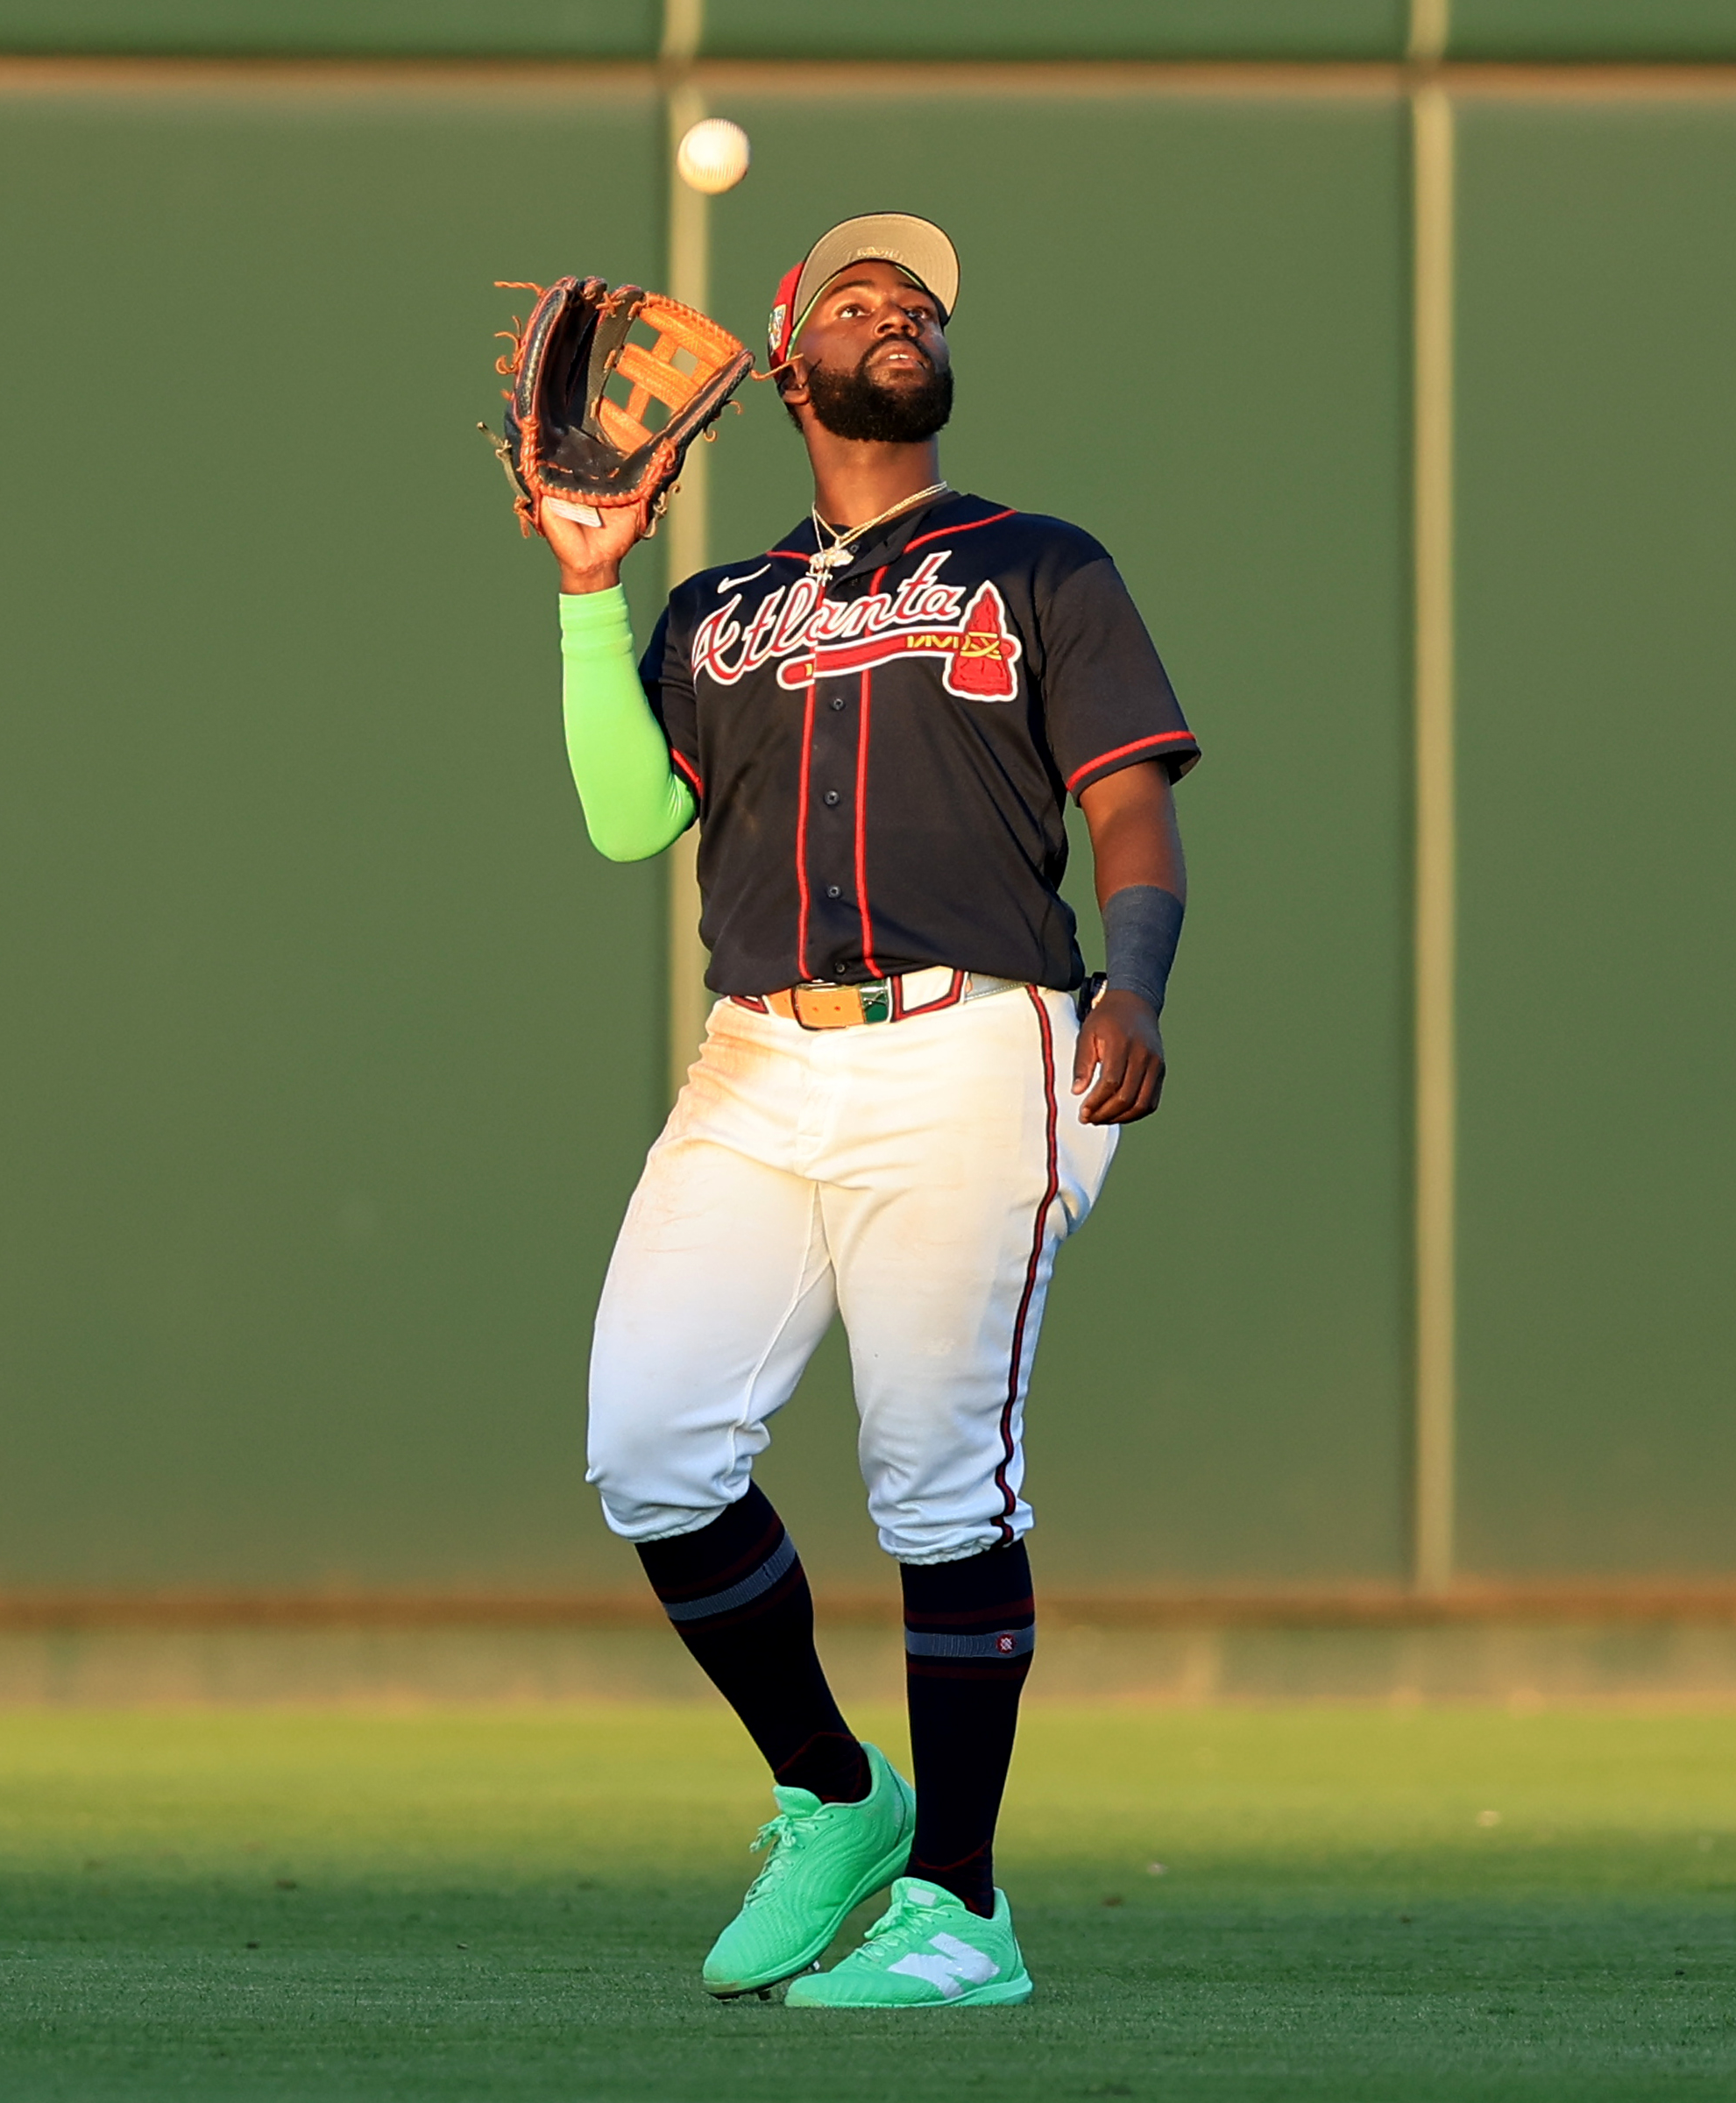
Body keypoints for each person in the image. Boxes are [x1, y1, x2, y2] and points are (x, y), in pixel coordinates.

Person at [533, 212, 1196, 2009]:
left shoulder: (1036, 563)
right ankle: (837, 1794)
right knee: (651, 1446)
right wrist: (593, 586)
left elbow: (1130, 802)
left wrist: (1134, 974)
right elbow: (619, 821)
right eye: (859, 296)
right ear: (785, 349)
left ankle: (962, 1911)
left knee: (934, 1480)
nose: (896, 313)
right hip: (758, 1055)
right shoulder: (719, 611)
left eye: (920, 303)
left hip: (980, 1045)